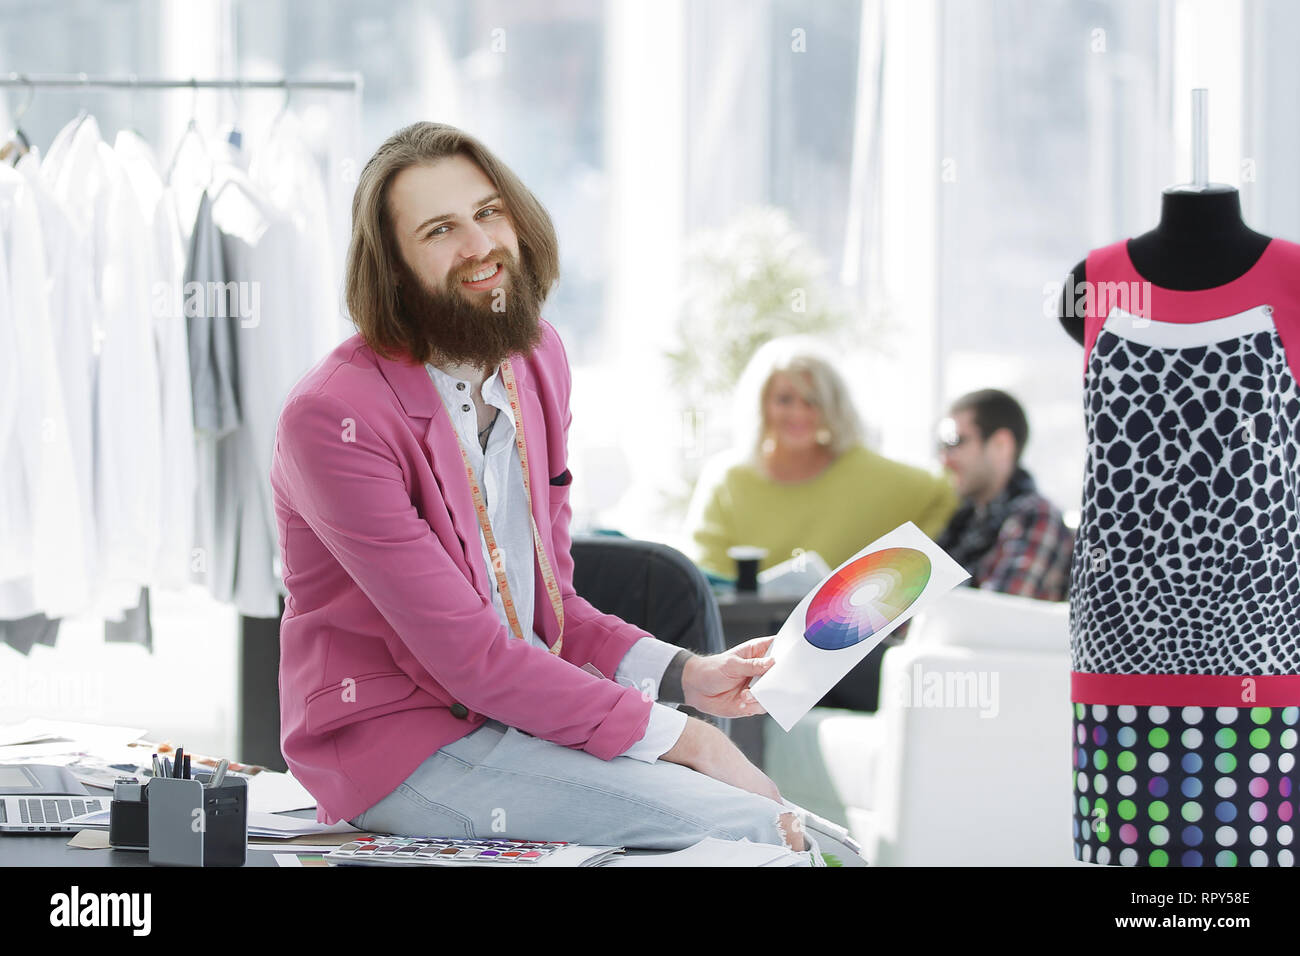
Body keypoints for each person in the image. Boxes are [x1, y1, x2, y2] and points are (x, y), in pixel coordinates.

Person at [270, 121, 862, 862]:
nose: (480, 244)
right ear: (393, 271)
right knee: (756, 832)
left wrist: (688, 676)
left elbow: (555, 609)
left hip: (519, 722)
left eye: (489, 212)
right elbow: (471, 657)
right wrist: (693, 743)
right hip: (399, 747)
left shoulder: (535, 360)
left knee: (824, 839)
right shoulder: (334, 418)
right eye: (440, 230)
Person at [685, 337, 959, 579]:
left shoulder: (863, 470)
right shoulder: (727, 478)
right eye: (784, 400)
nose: (798, 414)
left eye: (812, 401)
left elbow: (946, 492)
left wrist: (903, 574)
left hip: (843, 630)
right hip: (743, 632)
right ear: (761, 404)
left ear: (832, 407)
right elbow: (705, 577)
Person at [935, 388, 1074, 601]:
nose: (945, 459)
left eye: (955, 442)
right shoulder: (963, 521)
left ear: (1001, 445)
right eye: (941, 446)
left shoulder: (1036, 516)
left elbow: (995, 619)